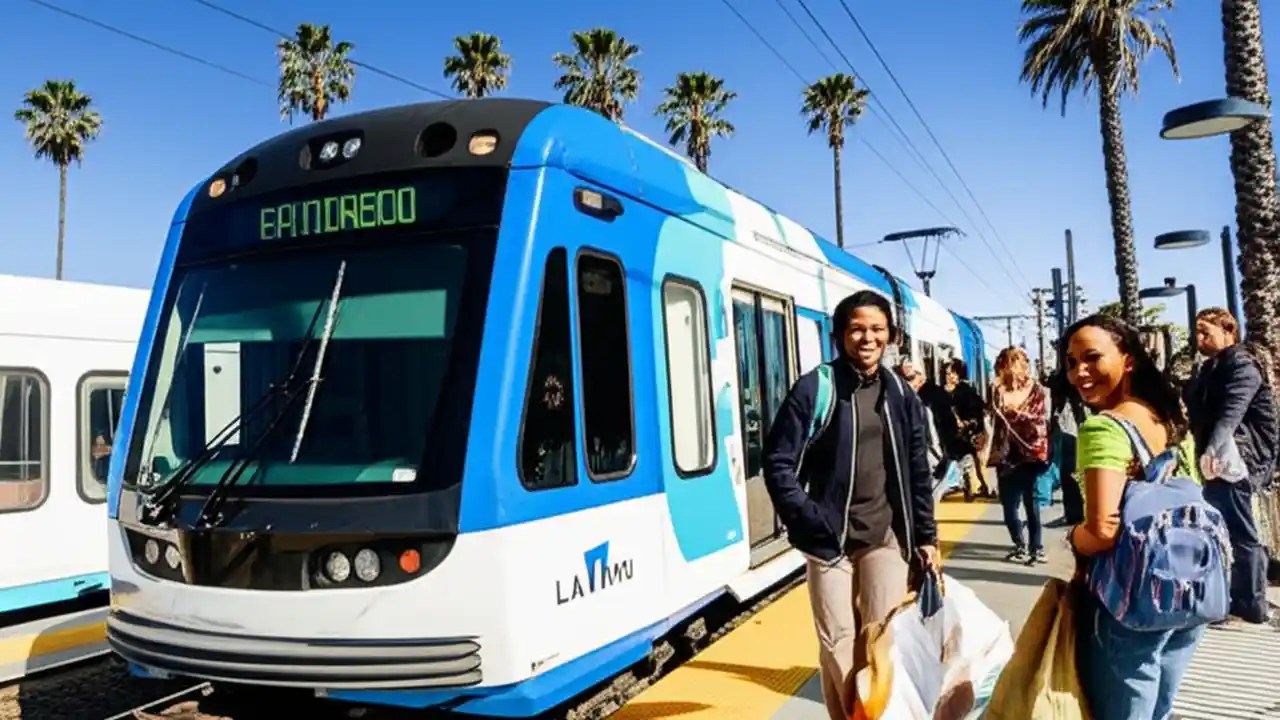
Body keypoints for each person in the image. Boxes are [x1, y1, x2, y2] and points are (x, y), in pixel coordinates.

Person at [763, 290, 939, 720]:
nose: (867, 337)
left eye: (877, 329)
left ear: (891, 336)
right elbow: (777, 461)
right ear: (840, 334)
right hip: (829, 541)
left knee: (880, 639)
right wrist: (808, 518)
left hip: (886, 536)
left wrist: (927, 538)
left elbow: (918, 471)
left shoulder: (901, 393)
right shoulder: (815, 387)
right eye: (857, 329)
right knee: (838, 643)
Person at [1063, 314, 1206, 720]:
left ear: (1128, 360)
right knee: (1158, 707)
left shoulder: (1104, 429)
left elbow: (1103, 530)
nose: (1079, 373)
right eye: (1072, 363)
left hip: (1130, 598)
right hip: (1188, 587)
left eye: (1092, 358)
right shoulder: (1169, 416)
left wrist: (1072, 538)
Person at [1182, 307, 1278, 624]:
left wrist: (1212, 449)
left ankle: (1251, 603)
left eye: (1205, 332)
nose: (1199, 338)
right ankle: (1233, 598)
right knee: (1223, 528)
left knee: (1241, 531)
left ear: (1228, 332)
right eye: (1196, 331)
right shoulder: (1210, 368)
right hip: (1218, 459)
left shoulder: (1242, 364)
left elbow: (1232, 412)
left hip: (1238, 460)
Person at [988, 347, 1051, 565]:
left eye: (1017, 363)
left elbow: (1040, 419)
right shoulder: (996, 389)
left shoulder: (1037, 390)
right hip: (1006, 454)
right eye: (1007, 364)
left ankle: (1036, 548)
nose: (1013, 368)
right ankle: (1019, 543)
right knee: (1008, 505)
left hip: (1030, 452)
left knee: (1031, 503)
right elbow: (994, 415)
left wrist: (1017, 413)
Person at [943, 358, 992, 501]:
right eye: (947, 373)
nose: (949, 376)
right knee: (965, 460)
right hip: (953, 431)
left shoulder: (966, 390)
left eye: (952, 373)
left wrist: (968, 423)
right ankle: (974, 486)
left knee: (973, 460)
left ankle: (977, 487)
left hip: (970, 431)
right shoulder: (942, 392)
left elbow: (978, 409)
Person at [1045, 366, 1086, 528]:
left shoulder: (1064, 376)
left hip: (1075, 424)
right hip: (1071, 423)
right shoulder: (1063, 378)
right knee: (1070, 468)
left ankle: (1076, 513)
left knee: (1071, 467)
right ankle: (1075, 513)